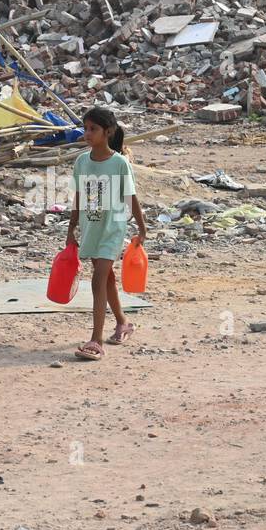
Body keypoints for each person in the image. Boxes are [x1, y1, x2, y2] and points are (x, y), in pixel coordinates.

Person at [67, 106, 147, 361]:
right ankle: (123, 322)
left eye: (93, 129)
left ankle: (95, 339)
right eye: (86, 128)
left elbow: (131, 197)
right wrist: (71, 229)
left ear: (108, 132)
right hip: (91, 226)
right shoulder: (81, 162)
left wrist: (142, 228)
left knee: (98, 278)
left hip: (113, 226)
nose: (87, 133)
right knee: (107, 277)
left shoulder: (119, 163)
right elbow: (78, 197)